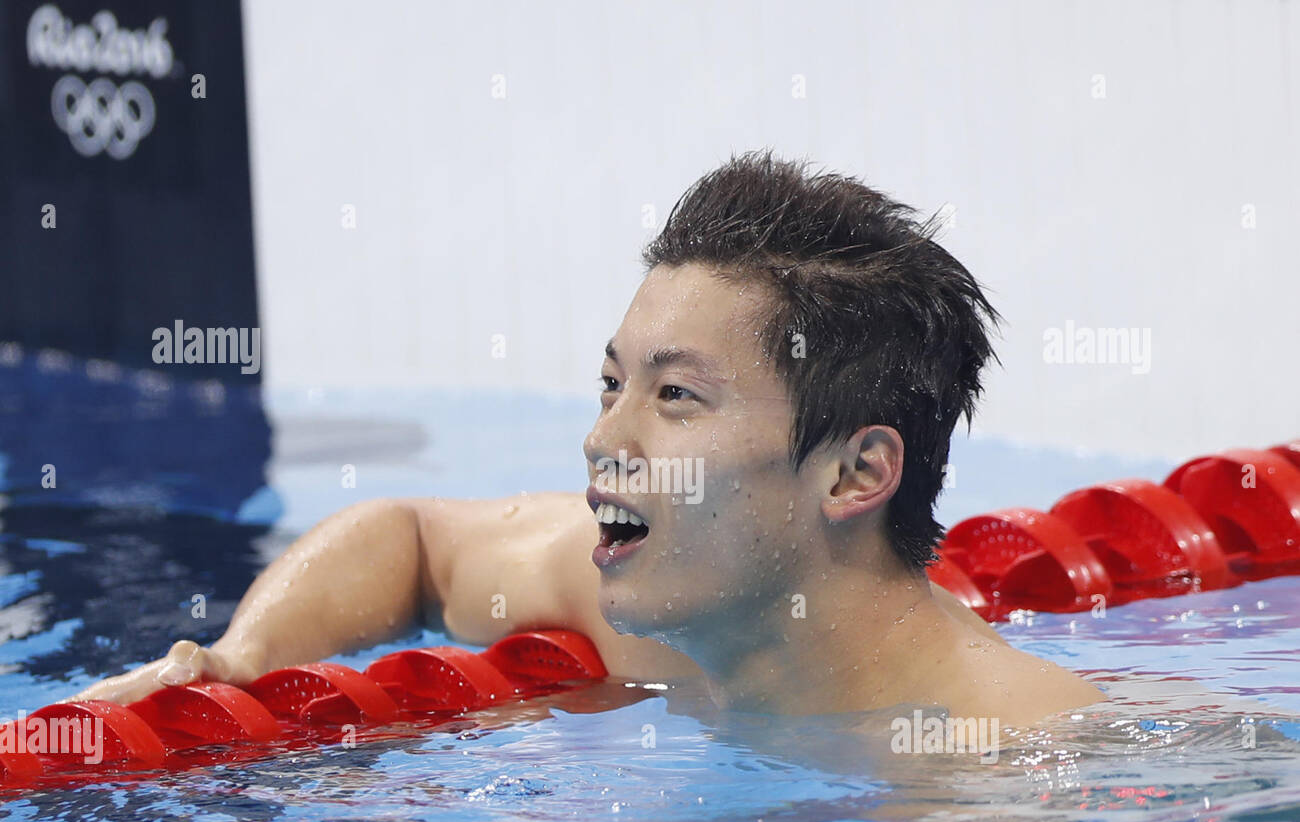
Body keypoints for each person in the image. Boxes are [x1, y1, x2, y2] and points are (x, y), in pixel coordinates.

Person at [77, 151, 1105, 726]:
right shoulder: (663, 614)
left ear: (855, 473)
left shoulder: (1002, 758)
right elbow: (412, 537)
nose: (601, 438)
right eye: (611, 384)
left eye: (675, 399)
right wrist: (241, 659)